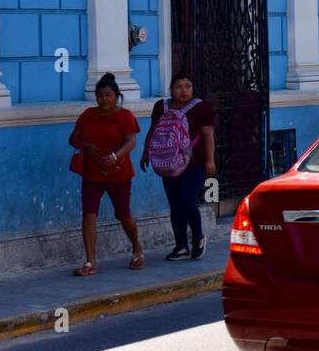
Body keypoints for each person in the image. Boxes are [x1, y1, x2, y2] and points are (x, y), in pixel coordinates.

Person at [69, 73, 144, 276]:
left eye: (108, 95)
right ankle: (90, 261)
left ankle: (136, 247)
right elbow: (73, 139)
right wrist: (86, 144)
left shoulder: (125, 116)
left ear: (116, 96)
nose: (103, 99)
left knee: (123, 214)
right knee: (89, 214)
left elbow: (131, 141)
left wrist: (115, 156)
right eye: (100, 95)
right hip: (92, 174)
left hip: (118, 173)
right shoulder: (88, 115)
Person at [141, 72, 216, 261]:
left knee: (188, 200)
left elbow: (208, 135)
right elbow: (153, 129)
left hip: (195, 162)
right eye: (179, 87)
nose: (183, 90)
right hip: (168, 162)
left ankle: (198, 237)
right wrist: (146, 152)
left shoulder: (202, 107)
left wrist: (210, 161)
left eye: (187, 86)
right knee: (175, 204)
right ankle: (181, 246)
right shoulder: (161, 106)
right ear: (171, 89)